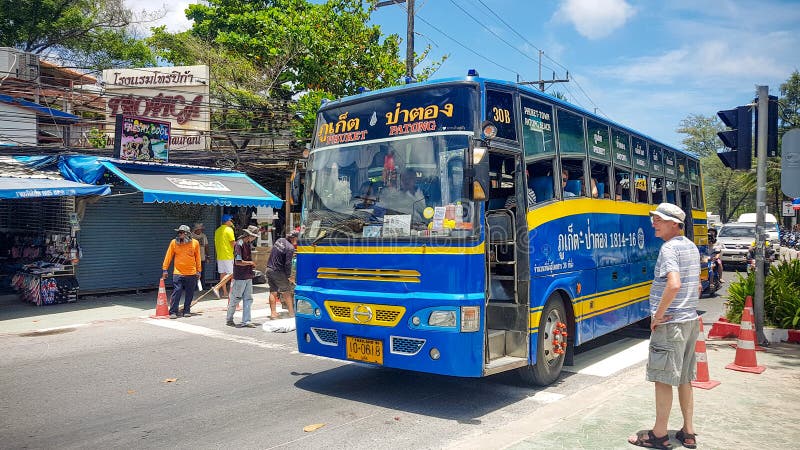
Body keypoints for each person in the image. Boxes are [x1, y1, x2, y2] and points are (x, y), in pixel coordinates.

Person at [628, 203, 700, 450]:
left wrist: (658, 316)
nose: (654, 223)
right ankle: (688, 431)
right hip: (690, 321)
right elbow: (696, 286)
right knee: (685, 378)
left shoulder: (669, 249)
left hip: (671, 325)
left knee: (663, 379)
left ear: (674, 224)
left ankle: (658, 435)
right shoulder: (690, 247)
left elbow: (674, 284)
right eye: (654, 219)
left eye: (659, 219)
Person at [161, 224, 202, 319]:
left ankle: (186, 310)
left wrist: (199, 271)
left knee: (189, 293)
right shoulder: (174, 243)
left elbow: (198, 257)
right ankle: (173, 311)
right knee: (177, 291)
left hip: (191, 273)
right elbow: (168, 256)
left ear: (187, 234)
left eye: (181, 233)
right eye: (179, 232)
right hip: (178, 272)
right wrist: (165, 269)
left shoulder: (195, 243)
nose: (179, 234)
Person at [226, 225, 260, 328]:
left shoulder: (247, 244)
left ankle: (247, 321)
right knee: (236, 298)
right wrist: (250, 263)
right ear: (249, 236)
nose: (254, 239)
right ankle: (229, 319)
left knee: (248, 298)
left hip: (248, 275)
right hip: (240, 276)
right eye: (254, 237)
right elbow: (238, 262)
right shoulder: (239, 244)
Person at [266, 231, 298, 319]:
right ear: (294, 238)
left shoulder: (279, 240)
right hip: (278, 271)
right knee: (286, 292)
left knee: (273, 292)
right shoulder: (290, 248)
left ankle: (273, 314)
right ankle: (291, 313)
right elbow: (288, 263)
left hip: (269, 269)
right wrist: (289, 276)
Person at [213, 214, 236, 298]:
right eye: (231, 220)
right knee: (231, 273)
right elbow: (232, 243)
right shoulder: (229, 230)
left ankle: (225, 293)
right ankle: (217, 287)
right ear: (227, 221)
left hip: (220, 255)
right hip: (228, 255)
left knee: (222, 273)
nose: (232, 222)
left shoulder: (217, 230)